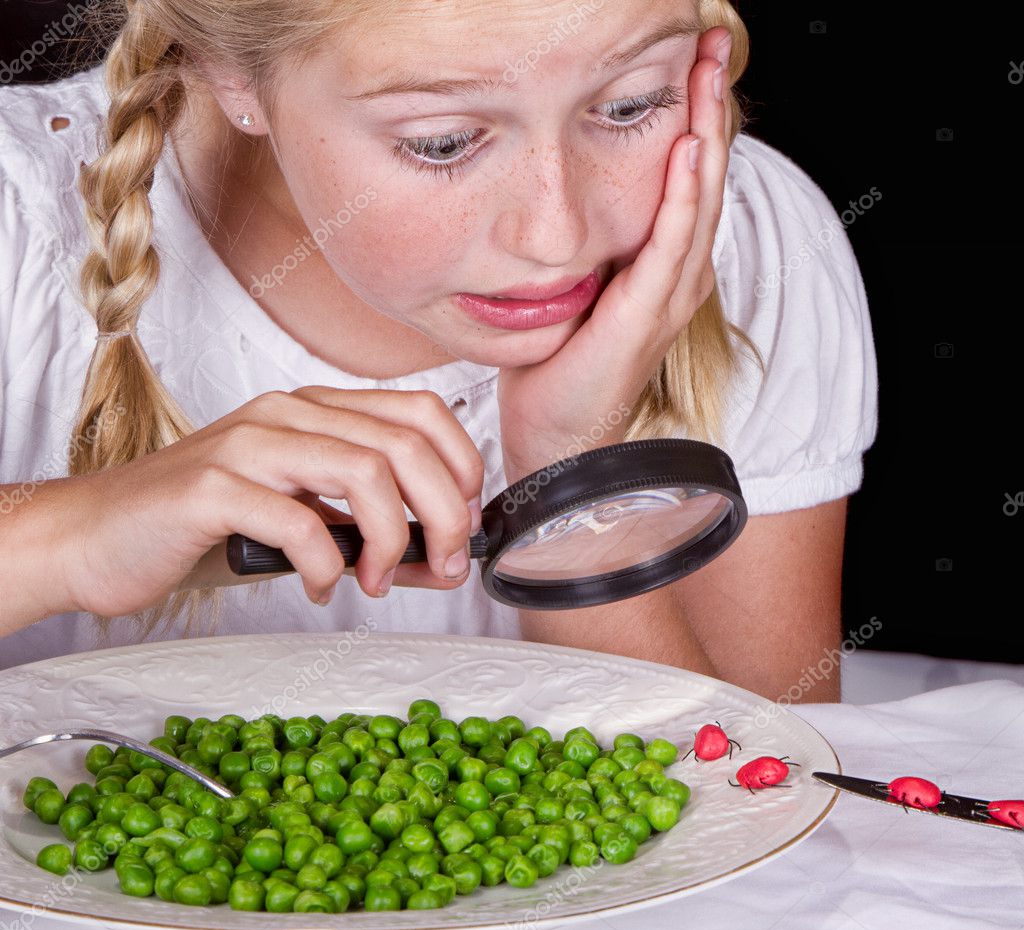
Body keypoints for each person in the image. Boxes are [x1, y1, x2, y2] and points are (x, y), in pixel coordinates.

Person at [0, 0, 877, 701]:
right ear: (234, 72)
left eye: (629, 105)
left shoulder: (749, 241)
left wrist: (576, 483)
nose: (554, 236)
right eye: (443, 143)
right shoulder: (17, 219)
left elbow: (772, 799)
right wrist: (67, 534)